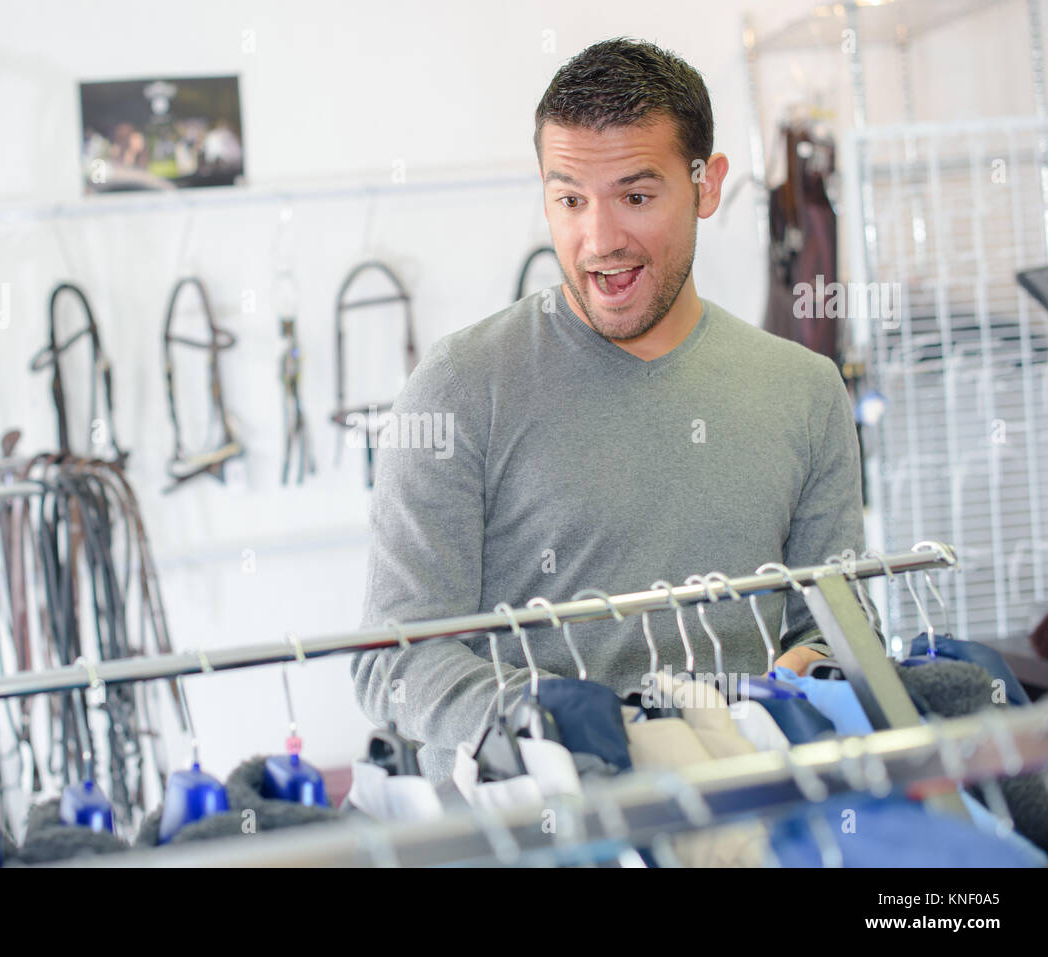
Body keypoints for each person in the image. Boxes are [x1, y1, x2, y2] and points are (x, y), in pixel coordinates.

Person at [353, 37, 876, 782]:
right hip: (536, 828)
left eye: (636, 196)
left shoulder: (806, 390)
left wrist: (792, 685)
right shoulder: (458, 388)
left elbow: (834, 629)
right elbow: (396, 660)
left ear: (707, 184)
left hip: (749, 814)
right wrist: (565, 733)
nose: (599, 241)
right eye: (569, 199)